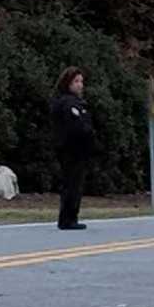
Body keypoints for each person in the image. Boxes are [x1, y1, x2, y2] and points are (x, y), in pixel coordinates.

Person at [49, 67, 95, 230]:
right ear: (67, 83)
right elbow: (75, 127)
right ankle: (67, 219)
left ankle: (71, 217)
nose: (80, 85)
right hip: (70, 149)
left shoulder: (77, 103)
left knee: (76, 183)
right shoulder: (67, 103)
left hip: (78, 150)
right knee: (72, 183)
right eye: (76, 81)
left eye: (81, 81)